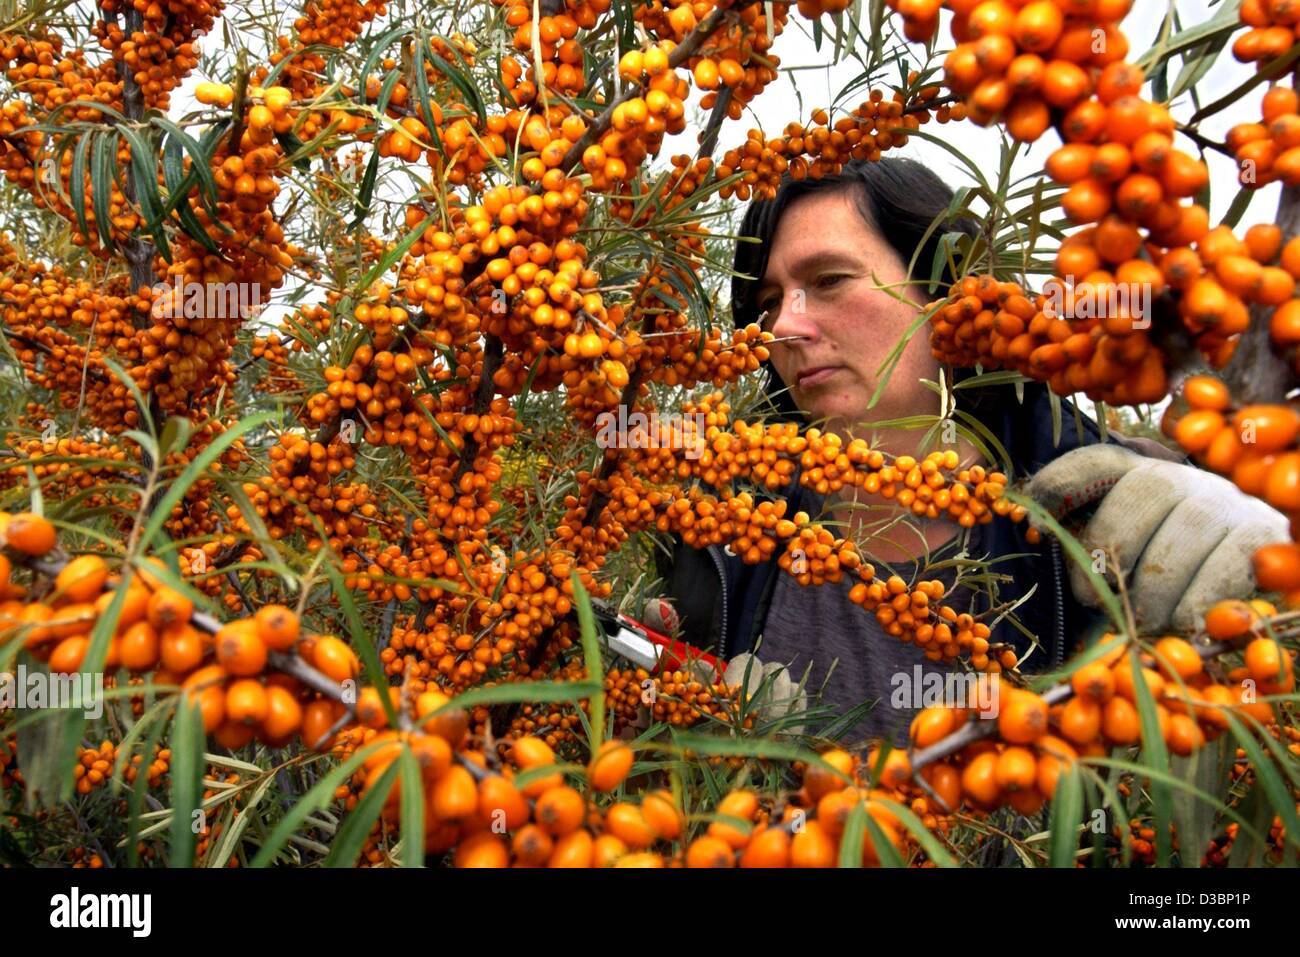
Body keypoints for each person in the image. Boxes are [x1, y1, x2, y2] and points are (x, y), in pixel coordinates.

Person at [653, 156, 1287, 746]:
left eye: (828, 280)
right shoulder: (722, 525)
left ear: (948, 292)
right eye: (768, 303)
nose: (785, 326)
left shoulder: (1112, 505)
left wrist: (1267, 553)